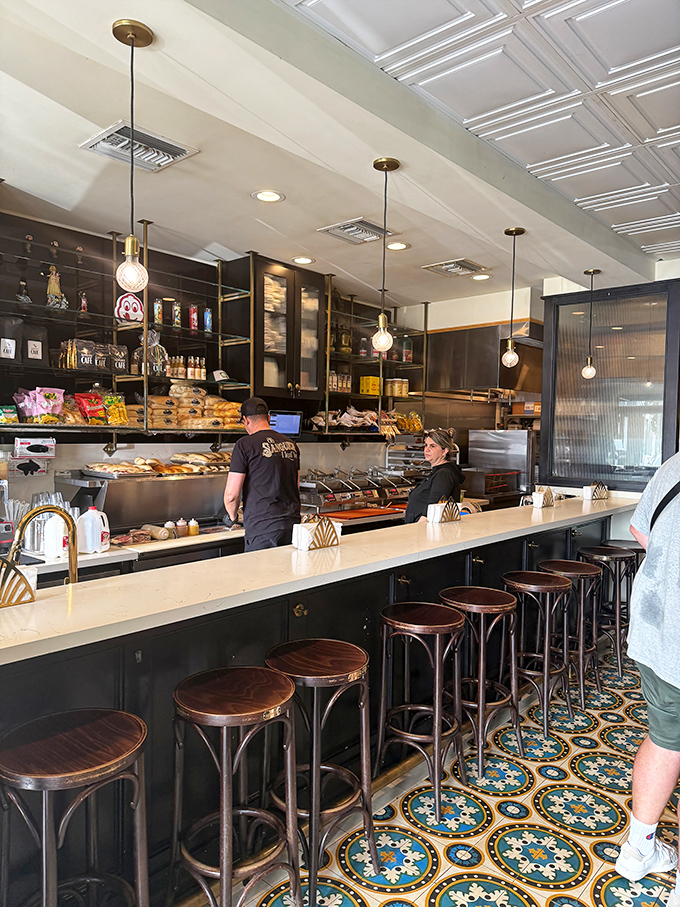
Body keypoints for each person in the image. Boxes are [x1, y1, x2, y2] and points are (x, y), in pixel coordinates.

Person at [614, 449, 680, 900]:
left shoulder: (676, 464)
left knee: (665, 737)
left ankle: (638, 850)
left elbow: (641, 530)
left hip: (658, 631)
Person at [223, 397, 300, 552]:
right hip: (292, 526)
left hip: (262, 528)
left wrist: (232, 518)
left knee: (261, 568)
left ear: (245, 420)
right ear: (269, 417)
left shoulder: (244, 445)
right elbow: (296, 486)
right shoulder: (291, 444)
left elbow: (231, 495)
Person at [404, 429, 464, 524]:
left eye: (432, 446)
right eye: (426, 445)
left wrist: (416, 528)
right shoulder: (438, 471)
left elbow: (433, 507)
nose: (427, 449)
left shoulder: (444, 474)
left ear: (445, 451)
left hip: (427, 529)